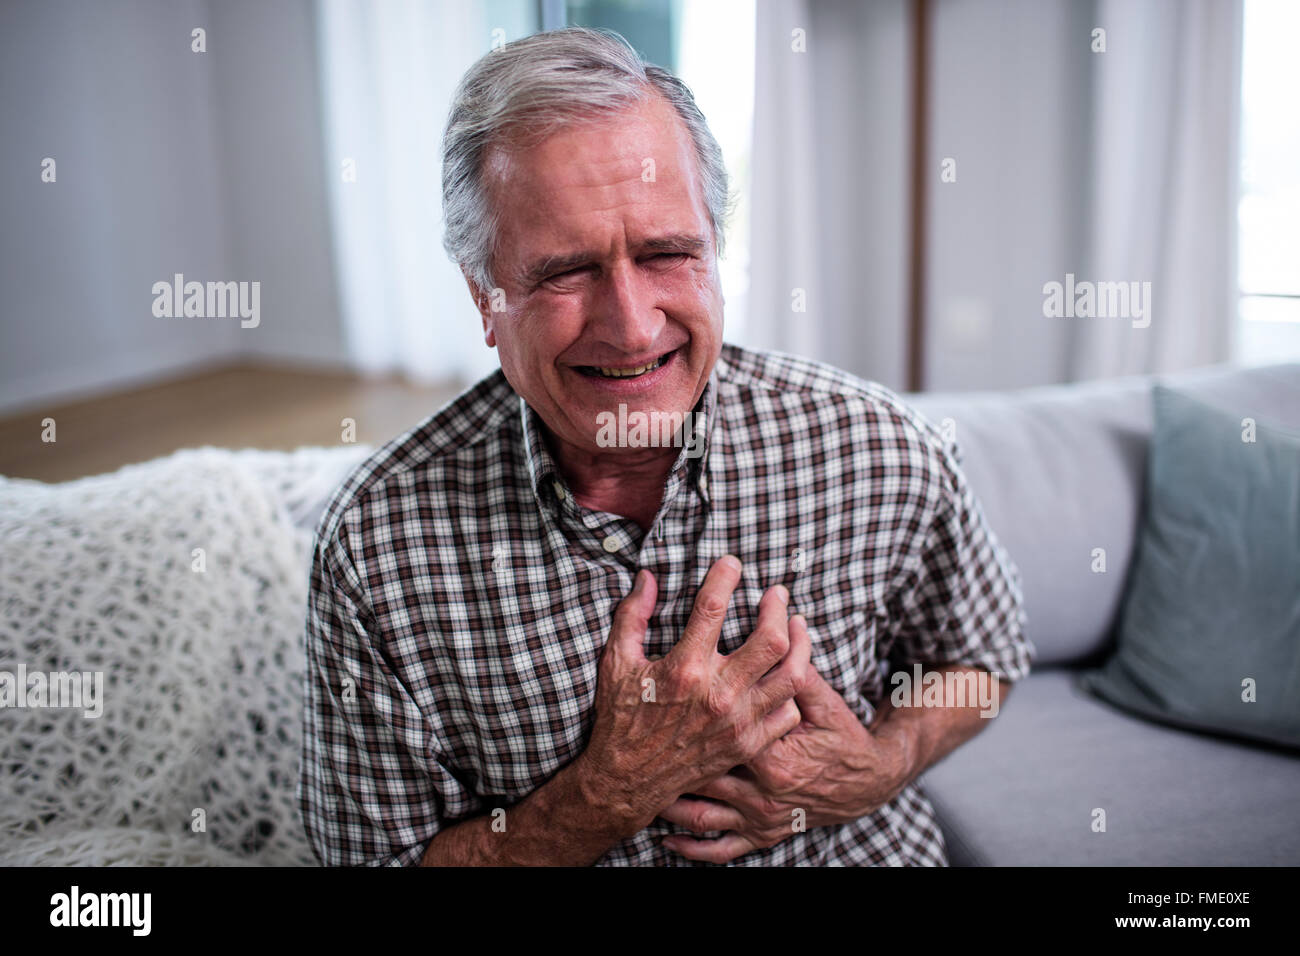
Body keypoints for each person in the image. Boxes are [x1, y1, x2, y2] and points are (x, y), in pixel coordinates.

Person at [298, 26, 1033, 866]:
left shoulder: (878, 443)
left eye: (667, 254)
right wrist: (604, 795)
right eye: (566, 271)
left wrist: (880, 766)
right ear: (484, 296)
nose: (632, 325)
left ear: (716, 249)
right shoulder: (377, 545)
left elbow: (984, 656)